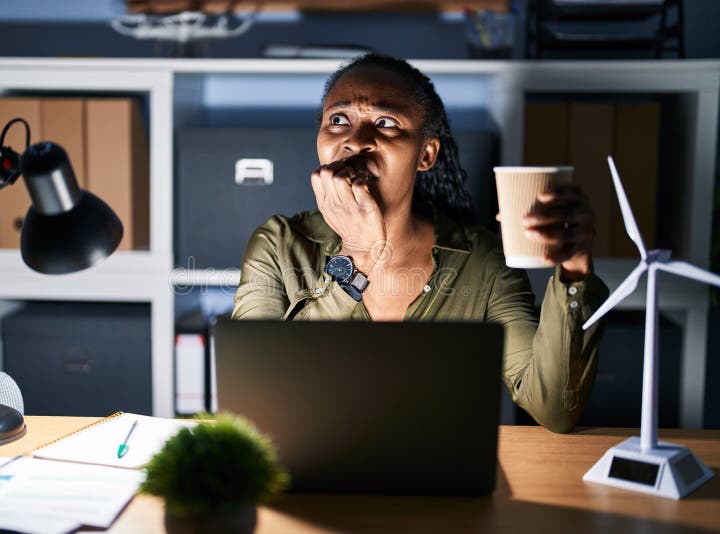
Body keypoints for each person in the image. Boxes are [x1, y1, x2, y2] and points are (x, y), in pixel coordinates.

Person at [232, 54, 609, 434]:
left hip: (437, 484)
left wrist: (575, 267)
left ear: (425, 155)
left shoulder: (482, 262)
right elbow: (254, 401)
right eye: (338, 120)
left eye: (385, 123)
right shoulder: (278, 244)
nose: (355, 141)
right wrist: (357, 259)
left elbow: (554, 409)